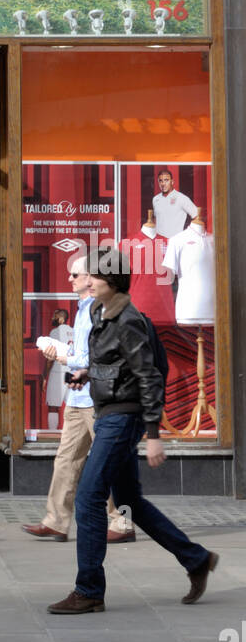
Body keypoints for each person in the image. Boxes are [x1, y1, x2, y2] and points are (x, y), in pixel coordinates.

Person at [48, 251, 217, 614]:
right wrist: (87, 374)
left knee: (88, 498)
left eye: (94, 277)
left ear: (113, 283)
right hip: (108, 411)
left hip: (123, 418)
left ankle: (89, 589)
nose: (87, 281)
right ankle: (196, 558)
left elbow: (149, 375)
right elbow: (111, 361)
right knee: (130, 501)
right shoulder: (98, 312)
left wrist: (154, 433)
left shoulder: (129, 320)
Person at [23, 257, 134, 544]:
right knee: (66, 460)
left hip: (97, 397)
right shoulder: (84, 308)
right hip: (79, 396)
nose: (69, 279)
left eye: (75, 274)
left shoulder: (99, 310)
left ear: (90, 278)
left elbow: (92, 357)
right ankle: (57, 521)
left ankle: (122, 522)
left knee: (106, 462)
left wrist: (62, 356)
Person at [152, 168, 197, 239]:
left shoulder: (182, 198)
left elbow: (196, 216)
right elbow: (155, 219)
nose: (163, 183)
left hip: (175, 241)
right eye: (161, 181)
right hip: (159, 242)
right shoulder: (155, 199)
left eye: (166, 180)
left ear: (172, 182)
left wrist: (187, 235)